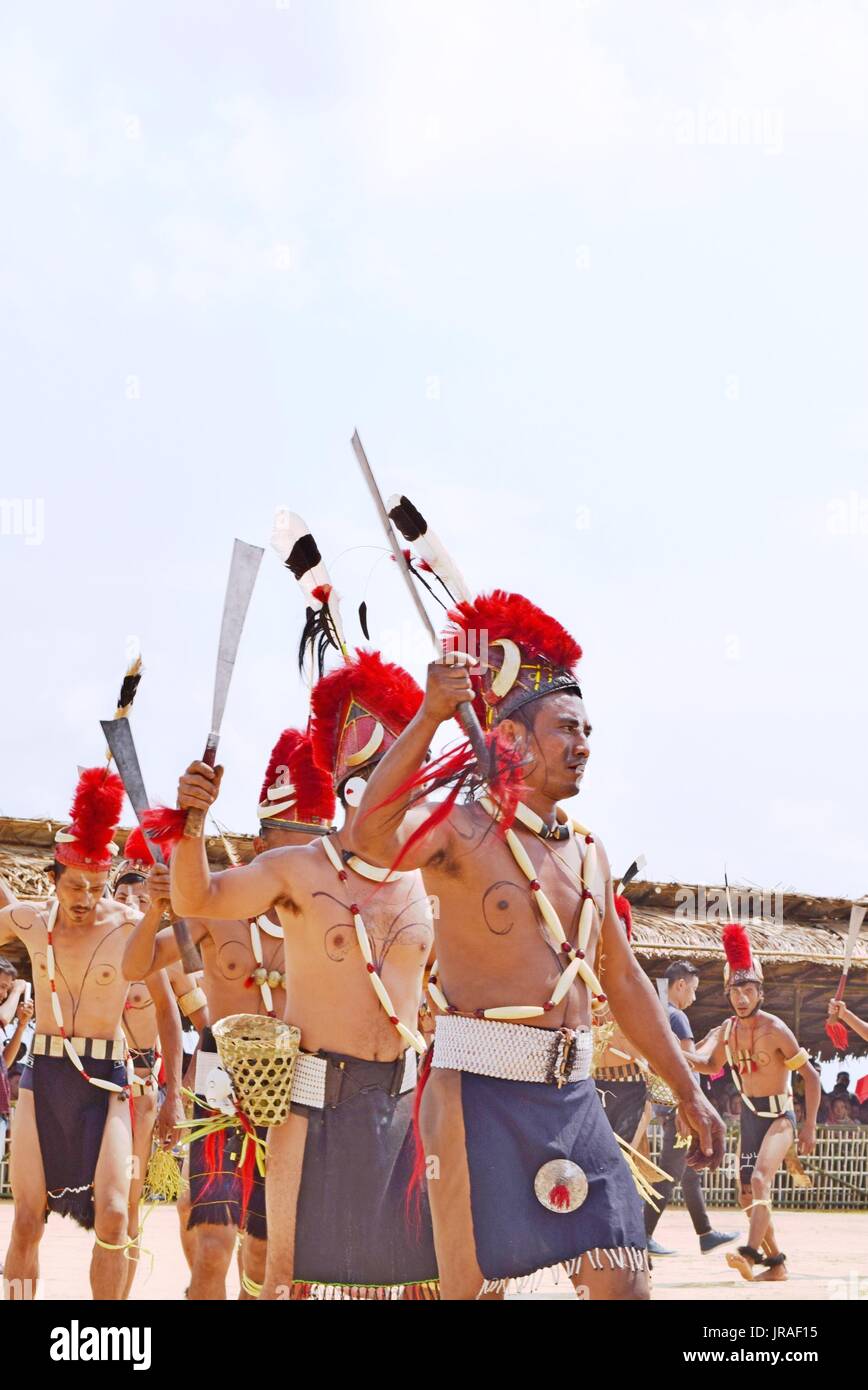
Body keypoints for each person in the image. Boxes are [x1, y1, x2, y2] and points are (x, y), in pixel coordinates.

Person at [354, 587, 724, 1299]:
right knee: (469, 1294)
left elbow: (624, 984)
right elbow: (368, 836)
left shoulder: (589, 854)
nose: (583, 746)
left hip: (575, 1099)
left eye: (588, 731)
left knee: (625, 1285)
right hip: (476, 1096)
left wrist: (687, 1090)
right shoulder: (461, 830)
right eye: (567, 729)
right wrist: (432, 714)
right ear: (515, 739)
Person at [138, 655, 441, 1299]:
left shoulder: (432, 873)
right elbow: (197, 899)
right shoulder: (296, 871)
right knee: (274, 1275)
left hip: (400, 1099)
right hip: (293, 1094)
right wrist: (190, 824)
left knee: (410, 1282)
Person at [123, 728, 332, 1298]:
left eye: (318, 847)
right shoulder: (215, 909)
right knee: (212, 1252)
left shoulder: (333, 923)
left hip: (298, 1085)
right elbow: (134, 964)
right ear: (263, 847)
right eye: (294, 844)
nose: (307, 861)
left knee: (268, 1260)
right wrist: (158, 911)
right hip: (220, 1083)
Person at [0, 766, 182, 1300]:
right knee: (27, 1221)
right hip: (44, 1077)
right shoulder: (33, 921)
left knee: (115, 1217)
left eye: (97, 887)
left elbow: (171, 1010)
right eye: (75, 885)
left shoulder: (128, 926)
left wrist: (172, 1096)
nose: (86, 897)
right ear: (53, 877)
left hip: (108, 1081)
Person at [691, 923, 820, 1283]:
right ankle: (776, 1263)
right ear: (728, 992)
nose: (742, 998)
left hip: (780, 1115)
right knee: (747, 1194)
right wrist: (678, 1055)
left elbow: (810, 1077)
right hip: (751, 1116)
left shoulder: (776, 1029)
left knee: (761, 1180)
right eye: (736, 990)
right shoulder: (727, 1031)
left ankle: (748, 1254)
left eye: (748, 990)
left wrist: (808, 1126)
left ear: (760, 992)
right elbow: (710, 1065)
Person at [641, 961, 736, 1257]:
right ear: (680, 985)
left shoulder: (656, 1015)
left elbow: (676, 1057)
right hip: (681, 1105)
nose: (694, 997)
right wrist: (695, 1105)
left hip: (664, 1104)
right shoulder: (678, 1017)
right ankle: (642, 1235)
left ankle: (705, 1233)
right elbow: (690, 1066)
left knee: (689, 1171)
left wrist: (706, 1038)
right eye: (693, 990)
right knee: (669, 1173)